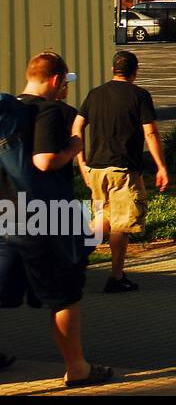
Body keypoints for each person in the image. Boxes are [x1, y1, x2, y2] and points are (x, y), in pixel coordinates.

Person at [0, 52, 110, 387]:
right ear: (54, 81)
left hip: (6, 220)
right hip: (46, 222)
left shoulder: (8, 114)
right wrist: (74, 146)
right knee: (63, 296)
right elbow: (45, 161)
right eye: (64, 82)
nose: (65, 89)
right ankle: (77, 368)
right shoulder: (51, 112)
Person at [73, 50, 169, 293]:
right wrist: (161, 166)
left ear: (114, 69)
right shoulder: (139, 95)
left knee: (102, 218)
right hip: (123, 170)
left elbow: (77, 126)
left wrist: (82, 162)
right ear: (135, 71)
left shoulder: (95, 94)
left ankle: (74, 260)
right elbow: (150, 133)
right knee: (121, 225)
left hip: (96, 169)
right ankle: (116, 277)